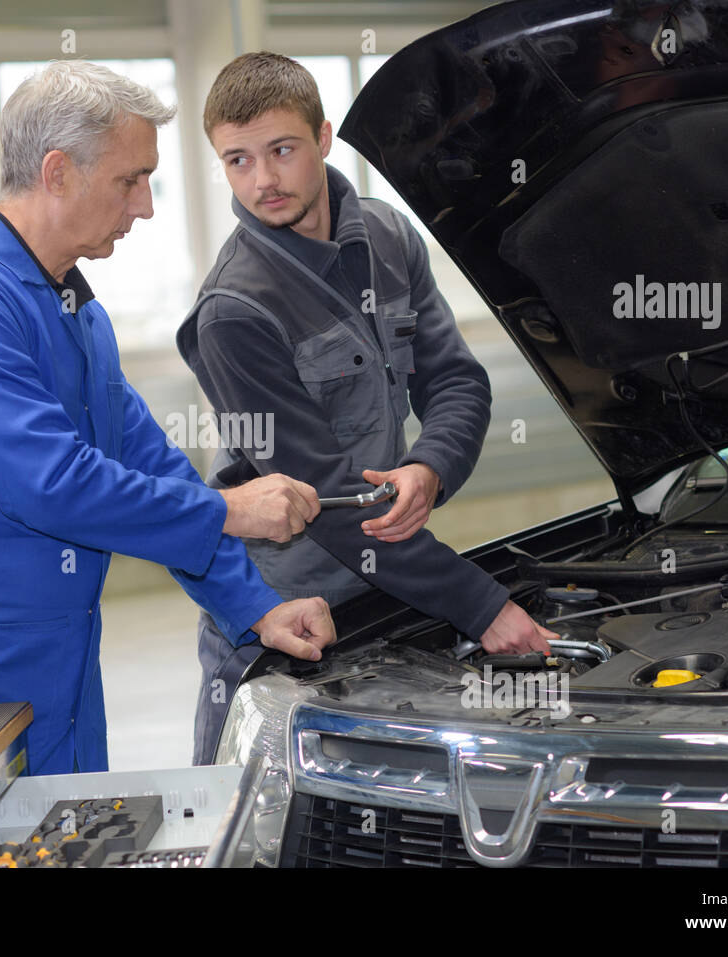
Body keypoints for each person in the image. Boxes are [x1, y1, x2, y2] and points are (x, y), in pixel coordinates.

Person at [0, 60, 336, 777]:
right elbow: (50, 484)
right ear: (57, 173)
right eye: (129, 180)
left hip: (63, 674)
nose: (144, 206)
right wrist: (230, 509)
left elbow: (147, 463)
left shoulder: (78, 313)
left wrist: (255, 605)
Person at [178, 52, 559, 764]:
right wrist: (483, 605)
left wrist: (430, 468)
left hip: (392, 591)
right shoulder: (232, 312)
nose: (262, 180)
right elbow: (332, 500)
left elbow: (456, 381)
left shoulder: (390, 238)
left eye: (281, 150)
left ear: (323, 138)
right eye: (237, 160)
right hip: (284, 622)